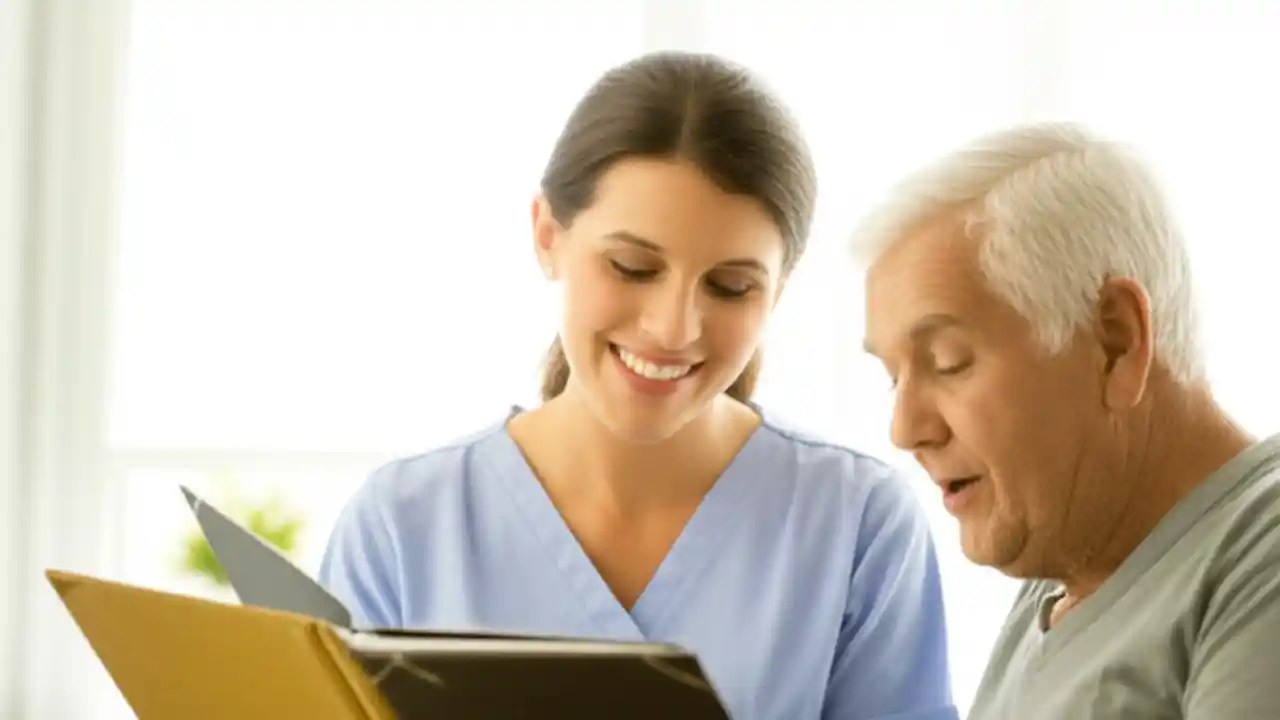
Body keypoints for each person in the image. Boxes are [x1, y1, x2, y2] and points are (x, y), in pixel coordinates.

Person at [319, 51, 957, 719]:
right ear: (547, 235)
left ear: (779, 291)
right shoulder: (405, 525)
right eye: (631, 267)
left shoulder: (854, 524)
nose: (674, 328)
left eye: (730, 287)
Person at [855, 121, 1280, 719]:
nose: (905, 430)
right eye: (894, 377)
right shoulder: (1065, 560)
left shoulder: (1259, 556)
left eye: (948, 363)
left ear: (1115, 341)